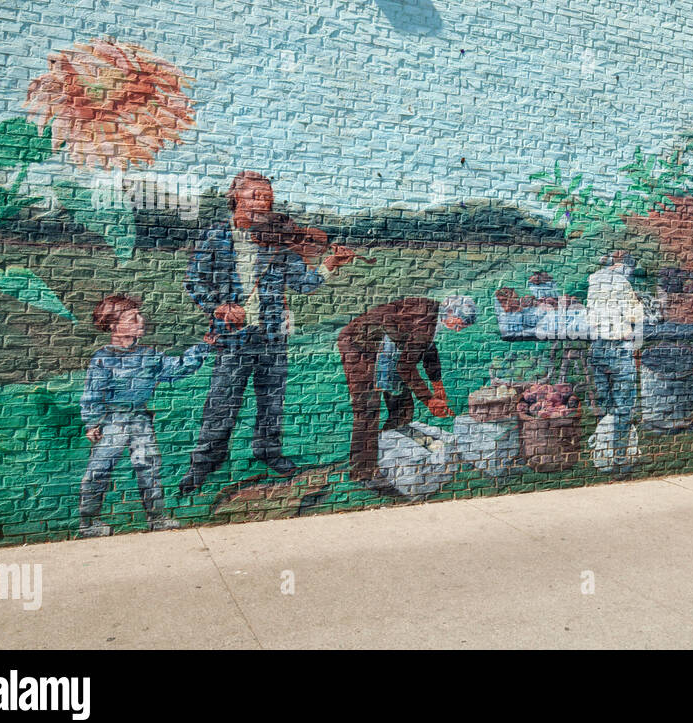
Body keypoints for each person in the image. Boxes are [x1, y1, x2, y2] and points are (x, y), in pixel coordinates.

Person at [180, 171, 355, 495]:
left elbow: (305, 283)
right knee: (222, 404)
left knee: (271, 402)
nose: (263, 202)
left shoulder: (276, 240)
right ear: (236, 198)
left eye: (267, 197)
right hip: (234, 337)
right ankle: (204, 464)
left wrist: (331, 263)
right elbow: (194, 282)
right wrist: (218, 307)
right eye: (255, 196)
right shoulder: (215, 237)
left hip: (273, 335)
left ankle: (268, 451)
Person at [79, 295, 212, 537]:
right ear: (113, 325)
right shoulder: (103, 358)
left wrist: (203, 347)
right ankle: (88, 522)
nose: (141, 321)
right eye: (133, 318)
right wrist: (92, 422)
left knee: (148, 466)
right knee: (99, 469)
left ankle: (157, 518)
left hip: (140, 420)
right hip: (113, 422)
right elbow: (93, 392)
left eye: (140, 315)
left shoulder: (149, 356)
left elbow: (179, 367)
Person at [337, 295, 477, 486]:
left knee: (403, 407)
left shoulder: (432, 315)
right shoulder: (425, 322)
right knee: (368, 409)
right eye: (458, 325)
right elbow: (405, 366)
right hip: (359, 347)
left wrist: (438, 386)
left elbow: (427, 350)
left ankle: (385, 451)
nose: (458, 330)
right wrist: (429, 400)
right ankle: (363, 472)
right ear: (451, 312)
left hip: (386, 351)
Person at [586, 250, 644, 474]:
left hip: (597, 347)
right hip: (618, 347)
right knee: (624, 407)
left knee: (606, 405)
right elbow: (635, 316)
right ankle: (619, 457)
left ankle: (602, 453)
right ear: (623, 267)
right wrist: (638, 304)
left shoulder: (594, 281)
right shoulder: (621, 284)